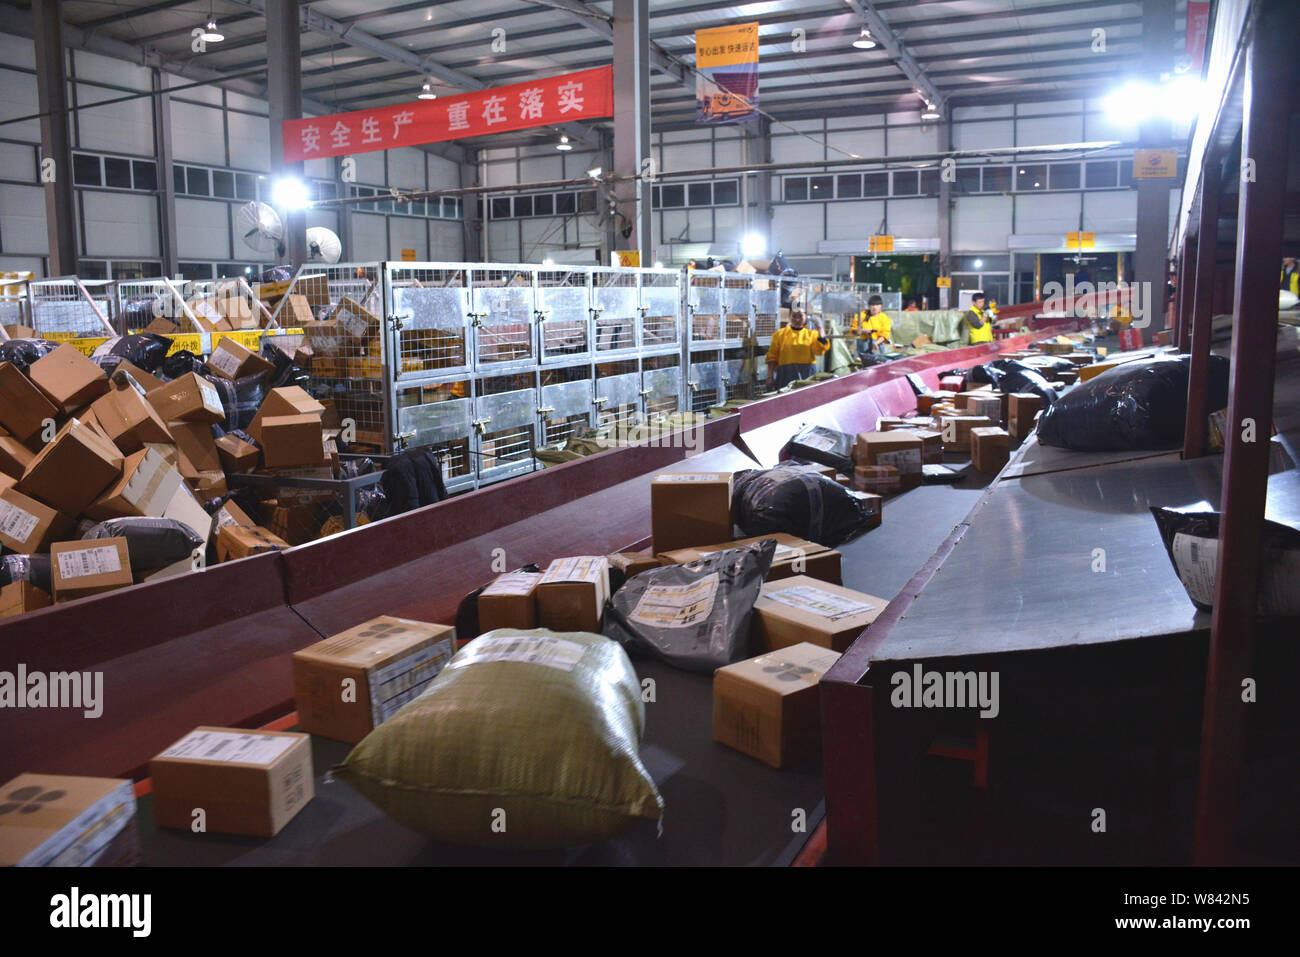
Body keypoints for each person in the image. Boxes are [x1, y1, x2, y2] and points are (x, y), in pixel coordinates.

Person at [766, 309, 829, 387]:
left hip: (807, 374)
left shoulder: (811, 334)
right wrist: (770, 376)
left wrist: (820, 327)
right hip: (785, 374)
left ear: (805, 317)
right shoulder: (780, 334)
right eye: (794, 316)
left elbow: (820, 351)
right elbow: (772, 357)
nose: (797, 319)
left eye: (800, 316)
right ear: (789, 317)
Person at [850, 295, 893, 360]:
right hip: (862, 344)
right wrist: (862, 331)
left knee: (877, 363)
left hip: (877, 345)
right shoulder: (861, 315)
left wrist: (876, 343)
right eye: (872, 305)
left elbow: (885, 334)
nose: (874, 307)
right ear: (869, 306)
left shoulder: (885, 318)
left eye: (877, 305)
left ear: (881, 306)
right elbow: (853, 329)